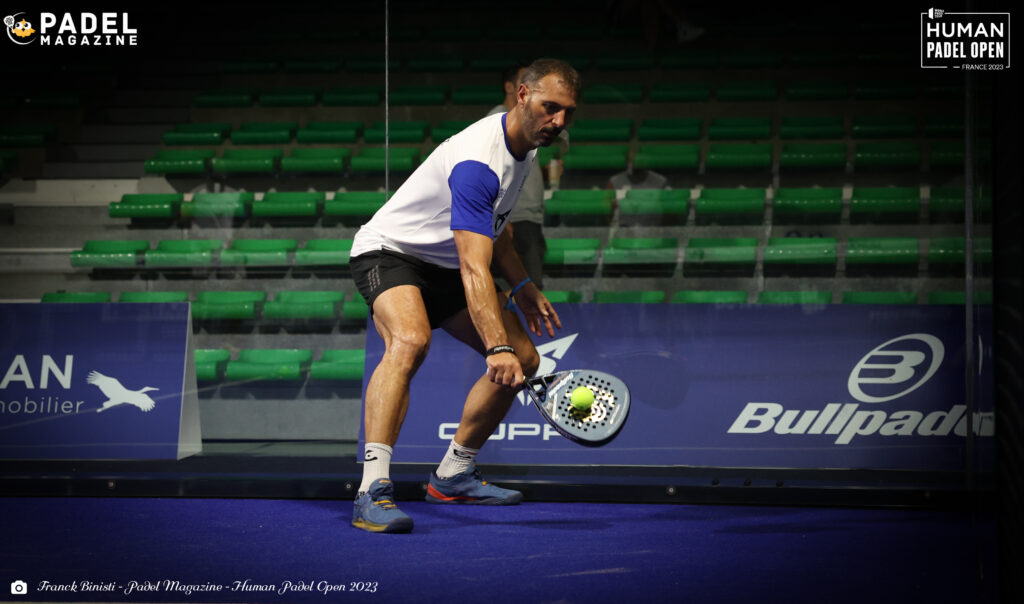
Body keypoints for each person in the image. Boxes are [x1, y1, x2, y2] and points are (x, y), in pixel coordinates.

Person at [348, 58, 581, 533]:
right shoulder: (479, 161)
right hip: (391, 253)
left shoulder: (526, 149)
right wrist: (495, 346)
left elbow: (498, 233)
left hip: (447, 264)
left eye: (567, 112)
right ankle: (372, 488)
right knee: (410, 341)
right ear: (522, 95)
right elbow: (475, 265)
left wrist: (523, 286)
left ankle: (453, 473)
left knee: (526, 359)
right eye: (549, 107)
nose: (558, 121)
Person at [486, 63, 570, 290]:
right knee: (522, 291)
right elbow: (490, 169)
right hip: (514, 219)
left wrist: (543, 173)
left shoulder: (527, 121)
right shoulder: (500, 118)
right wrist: (499, 217)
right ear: (510, 87)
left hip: (527, 218)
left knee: (528, 290)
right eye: (526, 80)